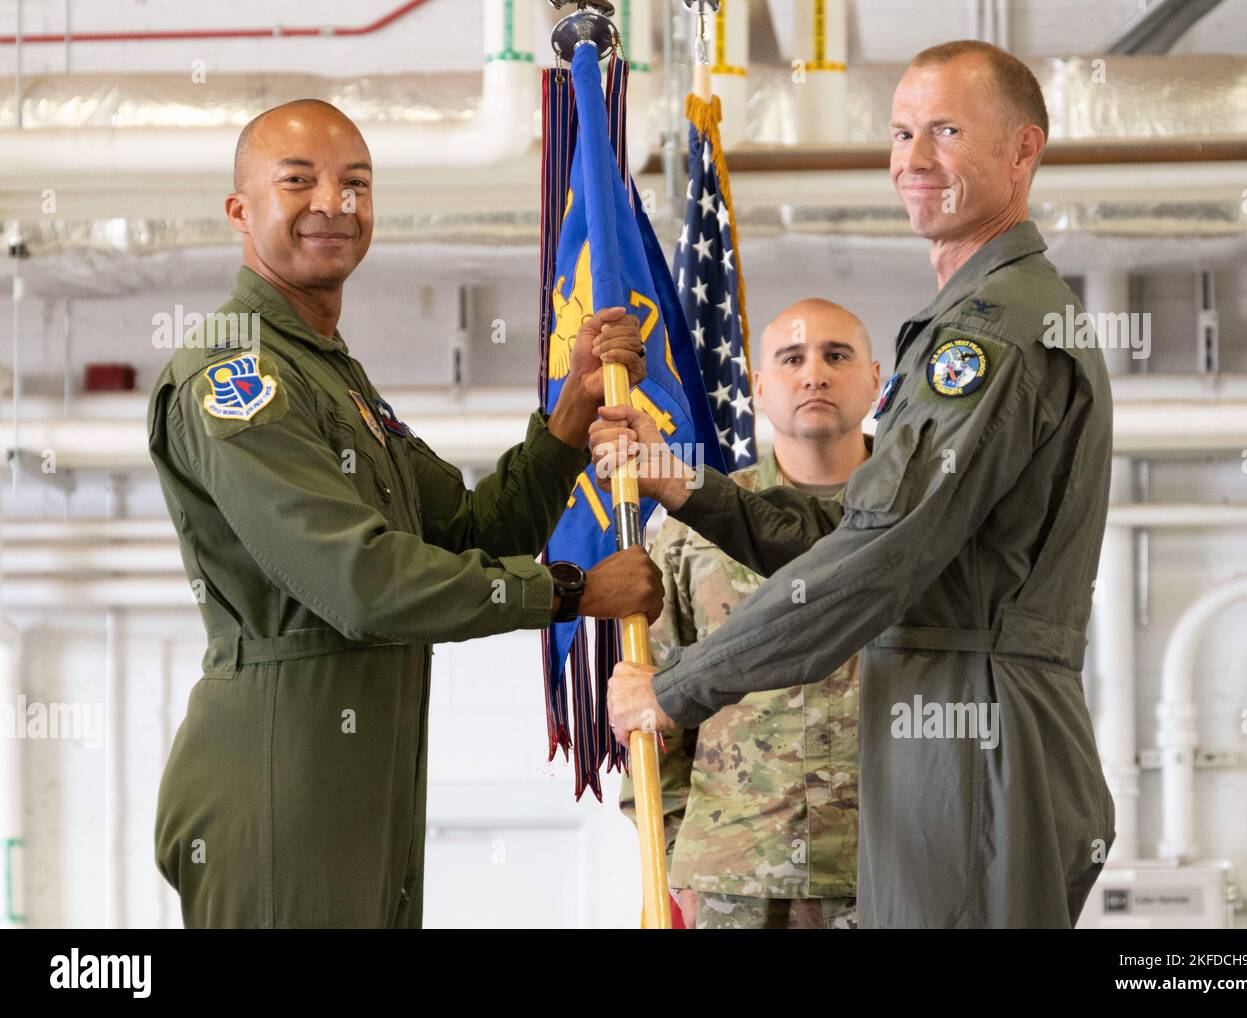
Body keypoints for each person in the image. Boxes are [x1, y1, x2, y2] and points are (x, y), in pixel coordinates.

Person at [598, 40, 1116, 928]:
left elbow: (877, 556)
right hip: (946, 713)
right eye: (902, 132)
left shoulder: (992, 333)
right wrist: (690, 490)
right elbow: (862, 523)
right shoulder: (973, 316)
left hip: (973, 721)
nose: (914, 160)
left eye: (948, 132)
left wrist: (678, 688)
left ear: (1024, 149)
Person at [148, 99, 663, 928]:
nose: (334, 203)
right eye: (298, 181)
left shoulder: (330, 376)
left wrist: (567, 422)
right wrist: (571, 592)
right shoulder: (237, 376)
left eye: (357, 183)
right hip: (284, 769)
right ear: (240, 211)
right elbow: (360, 583)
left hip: (358, 774)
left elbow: (471, 534)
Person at [618, 299, 879, 930]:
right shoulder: (694, 528)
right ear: (759, 387)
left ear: (875, 379)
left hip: (885, 866)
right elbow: (647, 705)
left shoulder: (917, 524)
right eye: (792, 358)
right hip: (732, 874)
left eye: (835, 355)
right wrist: (683, 852)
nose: (813, 373)